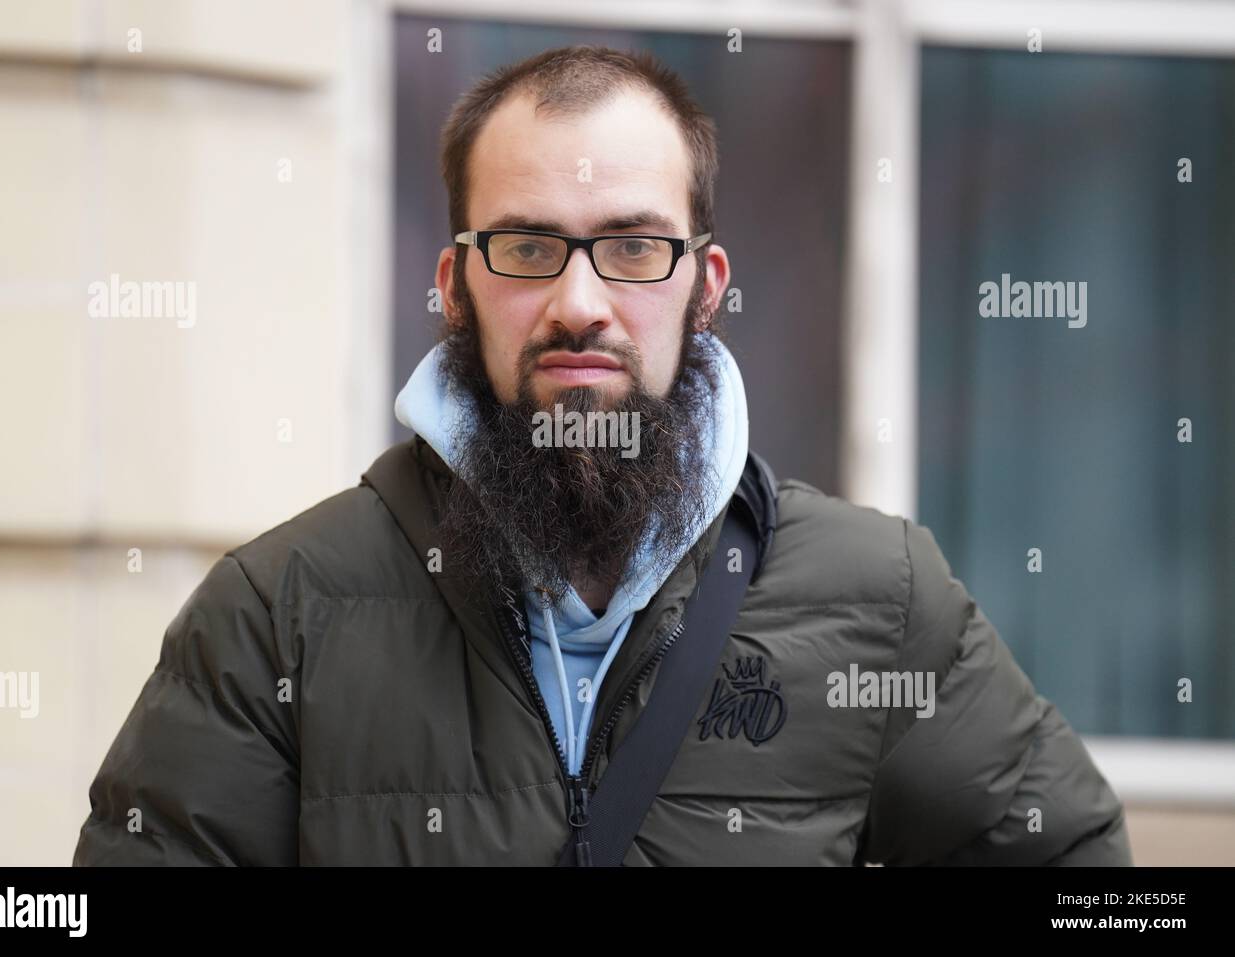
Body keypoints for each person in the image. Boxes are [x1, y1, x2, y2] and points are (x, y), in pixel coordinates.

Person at [74, 45, 1131, 866]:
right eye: (528, 248)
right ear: (453, 282)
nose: (580, 305)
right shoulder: (277, 615)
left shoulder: (879, 599)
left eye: (631, 247)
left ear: (705, 284)